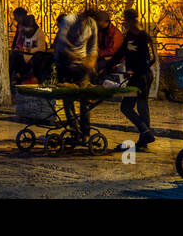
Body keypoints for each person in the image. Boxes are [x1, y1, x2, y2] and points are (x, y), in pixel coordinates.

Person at [105, 8, 157, 150]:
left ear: (131, 20)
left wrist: (135, 70)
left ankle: (145, 136)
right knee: (132, 106)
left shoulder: (142, 37)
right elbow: (119, 53)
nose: (125, 22)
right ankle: (145, 135)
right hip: (135, 76)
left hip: (142, 76)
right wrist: (106, 67)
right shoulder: (128, 36)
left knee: (135, 106)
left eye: (126, 20)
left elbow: (149, 59)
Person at [53, 9, 99, 139]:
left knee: (85, 97)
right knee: (68, 98)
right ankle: (73, 129)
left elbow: (93, 47)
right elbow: (61, 42)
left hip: (81, 66)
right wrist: (74, 56)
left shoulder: (92, 24)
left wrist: (91, 61)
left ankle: (85, 132)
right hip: (64, 62)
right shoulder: (69, 21)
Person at [8, 12, 47, 85]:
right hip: (25, 55)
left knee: (37, 57)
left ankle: (20, 74)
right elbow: (23, 44)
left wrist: (27, 50)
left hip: (35, 56)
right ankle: (9, 77)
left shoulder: (39, 33)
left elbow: (41, 49)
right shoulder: (25, 33)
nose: (27, 29)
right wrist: (20, 49)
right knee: (14, 55)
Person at [93, 9, 124, 79]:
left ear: (104, 21)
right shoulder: (100, 30)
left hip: (114, 59)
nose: (96, 23)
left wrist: (98, 53)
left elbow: (112, 51)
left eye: (97, 21)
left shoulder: (116, 33)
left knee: (96, 66)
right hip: (103, 57)